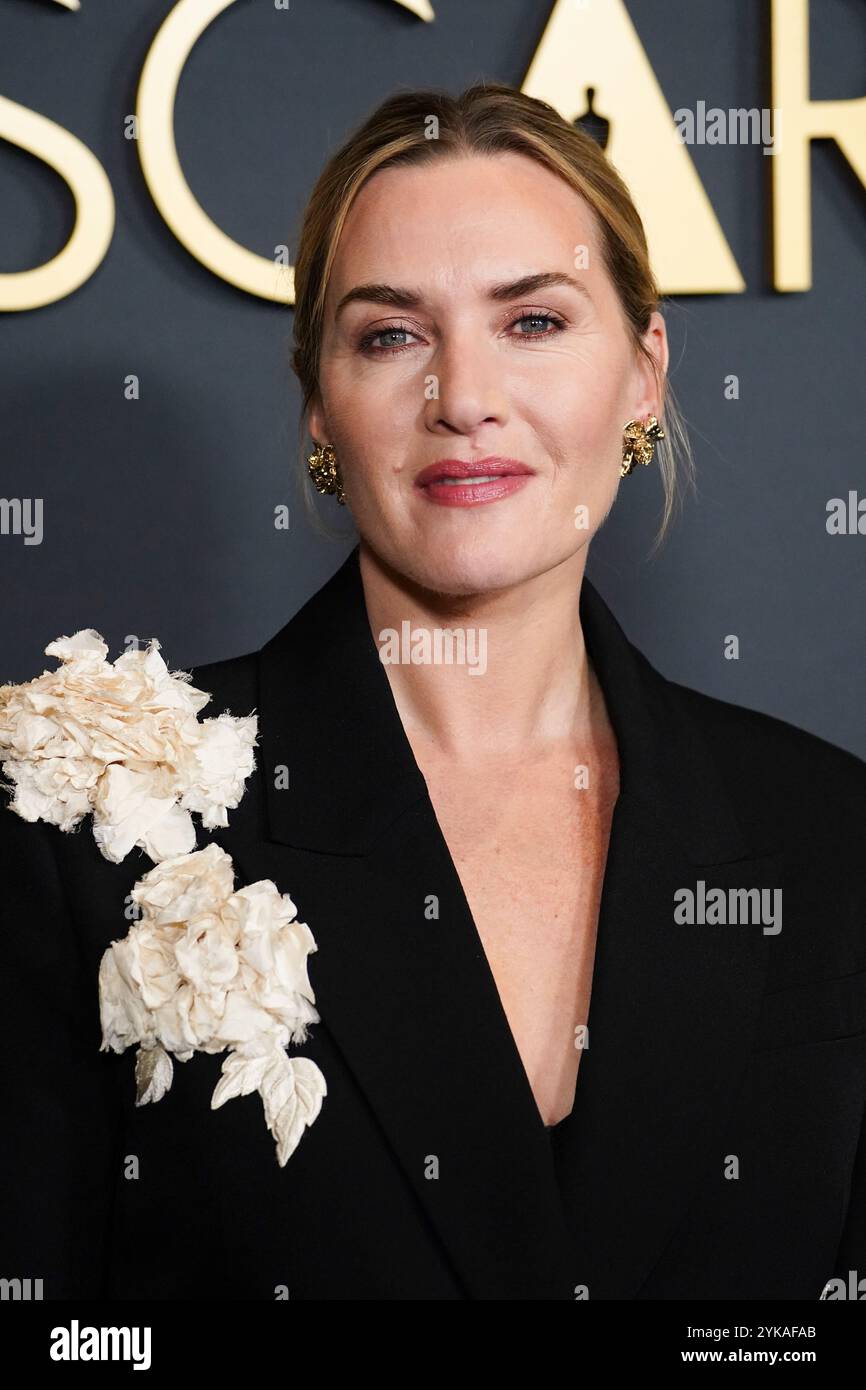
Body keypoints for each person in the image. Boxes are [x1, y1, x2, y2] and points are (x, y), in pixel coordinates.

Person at [1, 83, 864, 1301]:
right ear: (317, 400)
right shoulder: (86, 821)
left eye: (533, 322)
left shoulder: (827, 832)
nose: (461, 398)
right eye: (390, 334)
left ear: (643, 372)